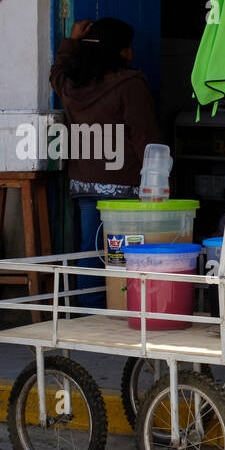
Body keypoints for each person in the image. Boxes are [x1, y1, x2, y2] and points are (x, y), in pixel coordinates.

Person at [49, 17, 162, 304]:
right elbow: (145, 137)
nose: (132, 53)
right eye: (128, 47)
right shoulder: (130, 84)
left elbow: (56, 73)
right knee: (128, 252)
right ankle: (124, 307)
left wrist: (71, 42)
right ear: (119, 51)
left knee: (91, 248)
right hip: (125, 184)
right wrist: (159, 180)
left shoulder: (72, 85)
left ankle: (91, 312)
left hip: (85, 182)